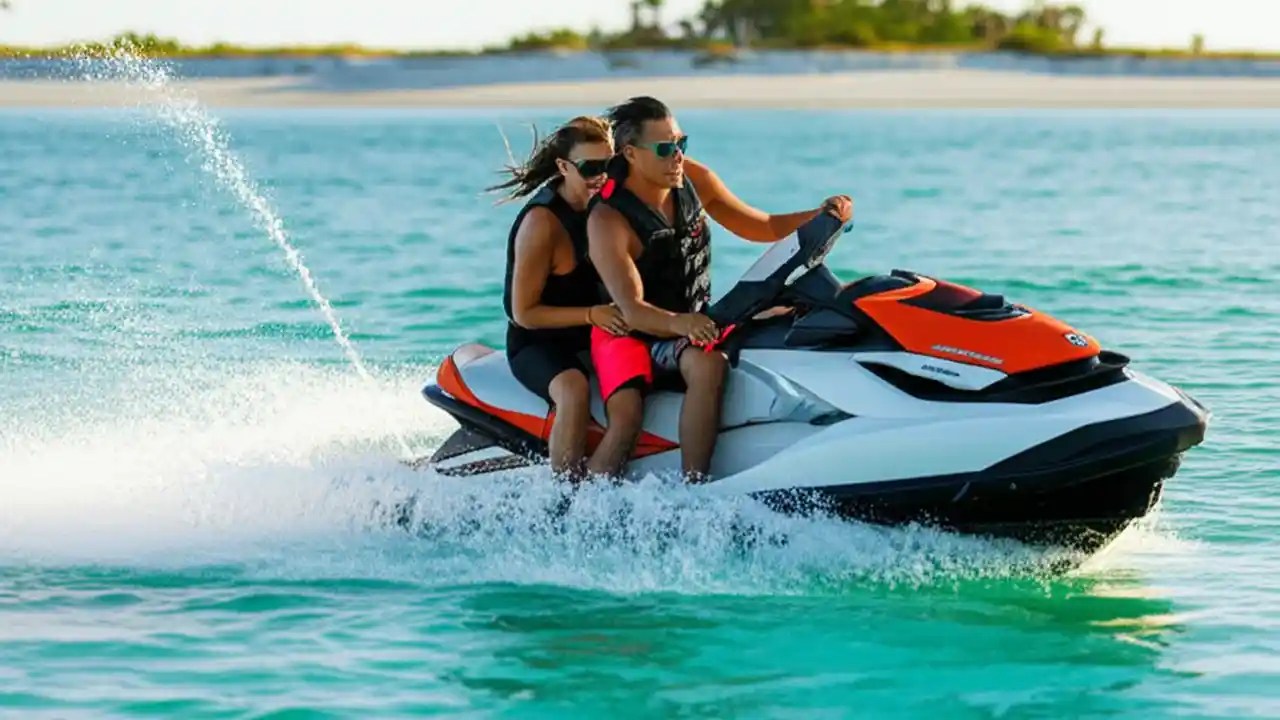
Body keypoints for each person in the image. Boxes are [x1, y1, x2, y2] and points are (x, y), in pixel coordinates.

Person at [586, 96, 854, 482]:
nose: (677, 156)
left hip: (693, 320)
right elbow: (632, 309)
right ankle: (695, 485)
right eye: (665, 148)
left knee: (795, 317)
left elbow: (760, 226)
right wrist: (685, 325)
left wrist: (823, 214)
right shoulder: (609, 219)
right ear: (630, 153)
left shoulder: (694, 180)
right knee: (707, 364)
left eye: (682, 143)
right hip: (635, 332)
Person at [489, 116, 629, 480]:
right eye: (590, 167)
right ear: (564, 167)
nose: (602, 175)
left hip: (596, 329)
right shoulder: (543, 223)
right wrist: (591, 315)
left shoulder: (611, 203)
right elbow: (523, 313)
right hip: (538, 342)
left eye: (609, 165)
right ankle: (566, 492)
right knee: (573, 389)